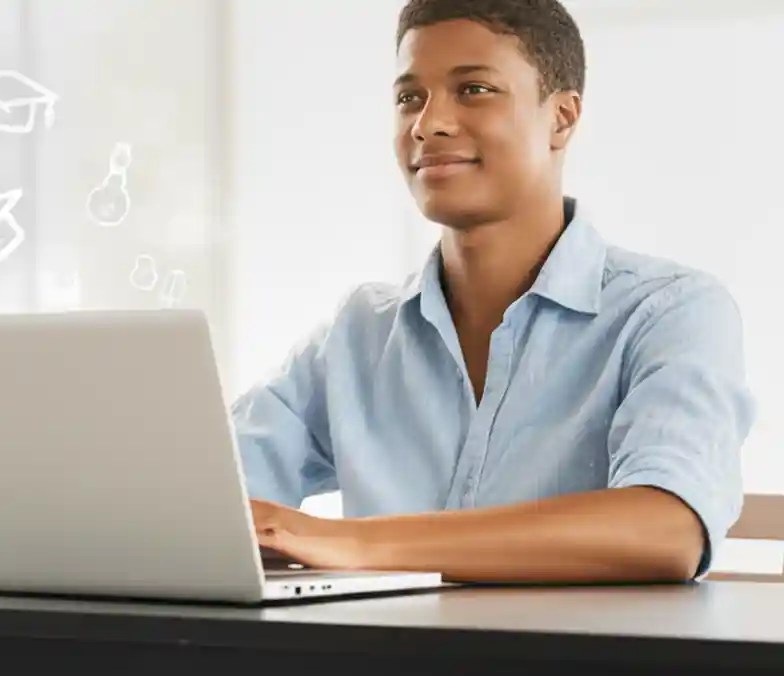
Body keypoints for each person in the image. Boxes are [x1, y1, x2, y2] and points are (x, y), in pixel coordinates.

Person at [235, 0, 756, 584]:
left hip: (578, 671)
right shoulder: (358, 333)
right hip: (379, 669)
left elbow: (668, 530)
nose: (427, 124)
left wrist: (346, 540)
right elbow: (205, 493)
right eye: (410, 97)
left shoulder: (670, 312)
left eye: (474, 89)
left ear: (561, 118)